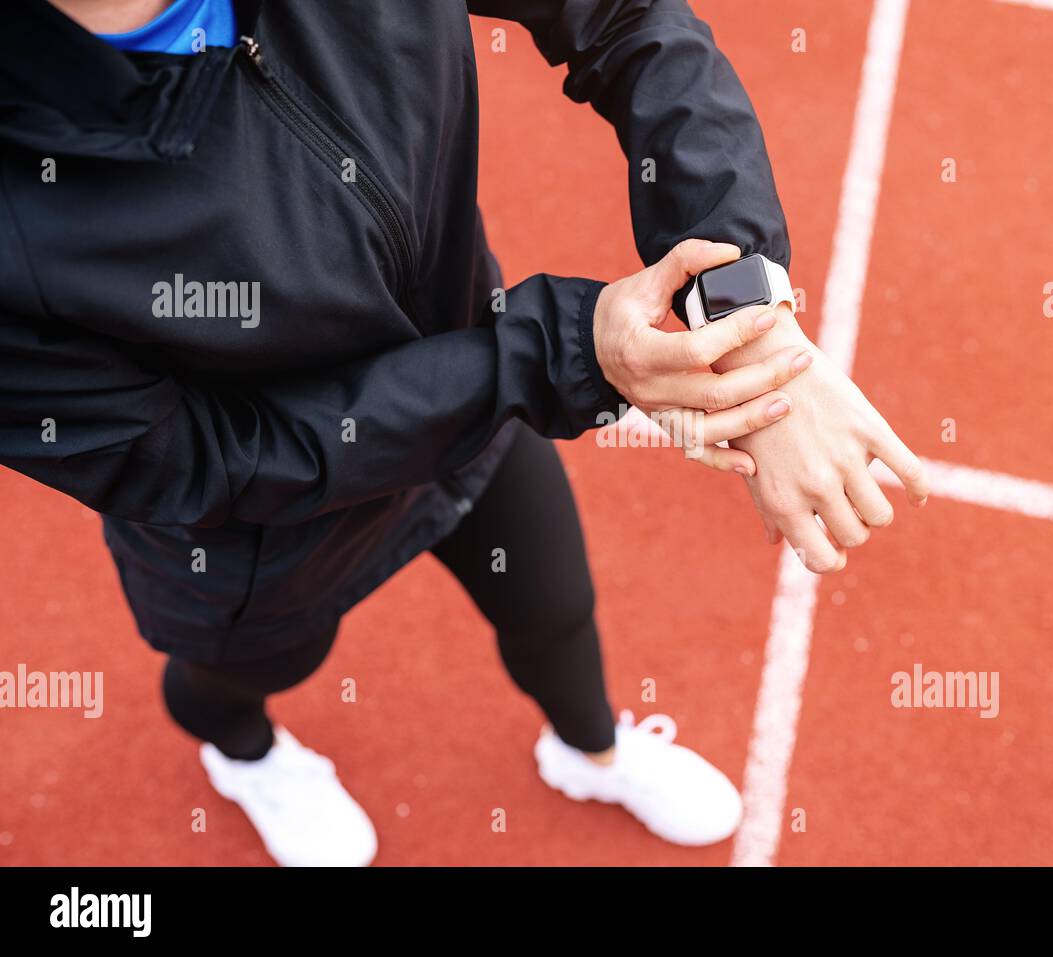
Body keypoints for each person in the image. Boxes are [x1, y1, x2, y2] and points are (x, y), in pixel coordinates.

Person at [0, 0, 929, 865]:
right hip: (257, 539)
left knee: (555, 604)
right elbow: (198, 462)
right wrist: (568, 351)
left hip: (478, 394)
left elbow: (617, 10)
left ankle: (593, 752)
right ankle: (246, 755)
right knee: (230, 680)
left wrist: (747, 318)